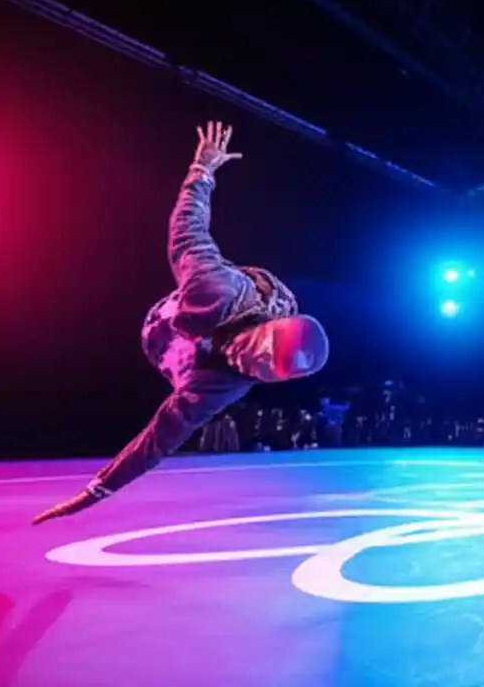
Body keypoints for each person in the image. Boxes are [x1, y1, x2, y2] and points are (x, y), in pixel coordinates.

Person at [32, 121, 330, 524]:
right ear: (264, 328)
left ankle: (238, 347)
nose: (248, 364)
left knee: (205, 381)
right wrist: (202, 170)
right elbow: (187, 229)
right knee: (205, 288)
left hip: (198, 341)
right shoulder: (216, 290)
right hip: (206, 308)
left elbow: (160, 439)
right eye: (258, 352)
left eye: (263, 371)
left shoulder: (224, 384)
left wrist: (96, 491)